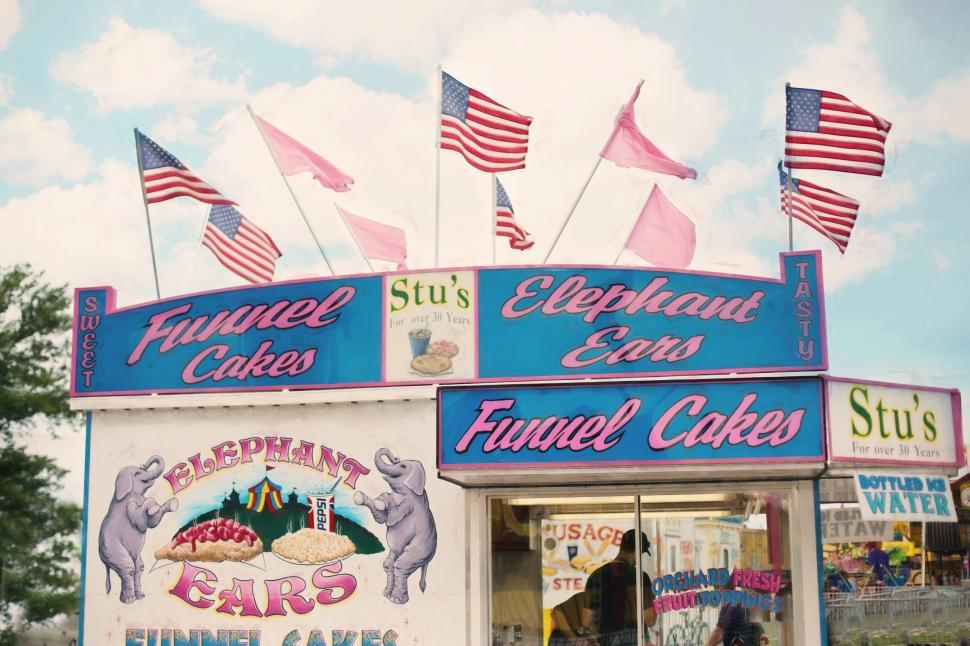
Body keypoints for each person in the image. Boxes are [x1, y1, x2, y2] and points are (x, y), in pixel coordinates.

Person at [583, 529, 656, 646]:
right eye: (641, 553)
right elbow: (650, 620)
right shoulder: (640, 577)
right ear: (636, 550)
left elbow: (587, 620)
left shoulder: (596, 576)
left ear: (621, 546)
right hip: (634, 641)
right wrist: (658, 604)